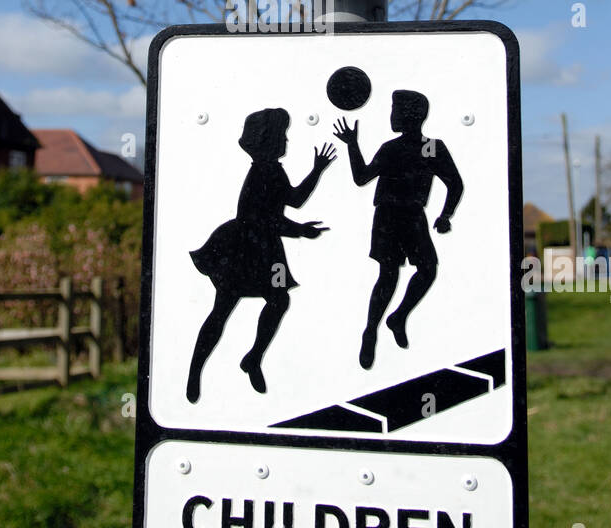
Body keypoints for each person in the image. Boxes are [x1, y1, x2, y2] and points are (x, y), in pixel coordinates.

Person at [186, 108, 335, 402]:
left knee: (276, 300)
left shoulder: (273, 169)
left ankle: (253, 358)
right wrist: (300, 231)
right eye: (282, 135)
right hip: (246, 247)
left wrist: (317, 170)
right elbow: (265, 218)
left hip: (264, 248)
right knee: (223, 309)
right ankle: (195, 372)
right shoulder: (263, 172)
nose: (287, 140)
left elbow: (293, 199)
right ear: (269, 141)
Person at [333, 90, 463, 369]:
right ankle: (371, 330)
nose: (392, 116)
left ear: (410, 116)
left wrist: (445, 215)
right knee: (388, 276)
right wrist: (352, 145)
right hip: (388, 216)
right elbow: (362, 177)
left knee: (428, 269)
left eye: (396, 110)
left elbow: (455, 183)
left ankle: (398, 316)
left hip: (414, 215)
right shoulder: (390, 148)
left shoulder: (432, 147)